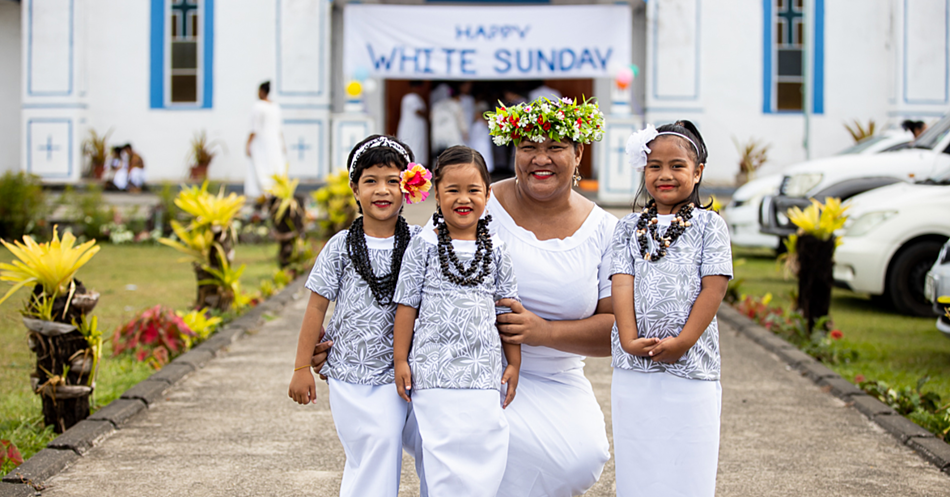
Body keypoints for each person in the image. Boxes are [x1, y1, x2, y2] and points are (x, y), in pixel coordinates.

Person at [313, 95, 614, 496]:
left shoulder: (605, 229)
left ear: (579, 153)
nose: (541, 158)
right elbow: (406, 284)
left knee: (580, 458)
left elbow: (617, 329)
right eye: (528, 146)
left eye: (555, 146)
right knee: (460, 439)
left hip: (553, 377)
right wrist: (347, 345)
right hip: (455, 369)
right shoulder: (473, 203)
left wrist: (544, 332)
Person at [288, 135, 427, 497]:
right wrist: (301, 367)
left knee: (428, 444)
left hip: (407, 370)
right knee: (372, 449)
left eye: (393, 180)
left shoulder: (421, 242)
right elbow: (316, 307)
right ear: (354, 188)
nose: (382, 190)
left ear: (409, 187)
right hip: (352, 371)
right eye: (371, 181)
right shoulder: (341, 245)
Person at [611, 121, 732, 496]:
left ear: (697, 172)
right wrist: (628, 339)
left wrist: (684, 341)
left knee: (687, 456)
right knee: (639, 454)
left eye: (677, 166)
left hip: (691, 363)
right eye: (654, 166)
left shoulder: (709, 225)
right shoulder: (628, 227)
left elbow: (714, 287)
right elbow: (621, 282)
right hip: (635, 364)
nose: (665, 175)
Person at [392, 145, 520, 497]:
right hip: (433, 371)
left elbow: (506, 309)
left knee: (483, 450)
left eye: (473, 190)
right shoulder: (424, 244)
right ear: (437, 194)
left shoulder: (497, 248)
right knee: (441, 455)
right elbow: (407, 304)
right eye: (452, 190)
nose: (463, 199)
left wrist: (514, 362)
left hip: (482, 372)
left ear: (488, 194)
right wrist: (400, 359)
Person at [246, 81, 285, 201]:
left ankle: (261, 194)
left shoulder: (258, 106)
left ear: (262, 92)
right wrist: (282, 143)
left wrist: (248, 143)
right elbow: (279, 128)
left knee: (260, 167)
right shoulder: (275, 107)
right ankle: (275, 192)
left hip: (261, 142)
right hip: (275, 142)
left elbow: (254, 128)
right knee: (274, 165)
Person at [430, 85, 468, 158]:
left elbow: (431, 117)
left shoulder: (437, 105)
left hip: (438, 137)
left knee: (439, 158)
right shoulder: (456, 105)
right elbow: (461, 121)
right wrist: (465, 132)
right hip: (452, 137)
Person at [397, 81, 429, 166]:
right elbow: (418, 111)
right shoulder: (411, 97)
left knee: (418, 147)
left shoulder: (418, 98)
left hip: (417, 129)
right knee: (413, 147)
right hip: (412, 128)